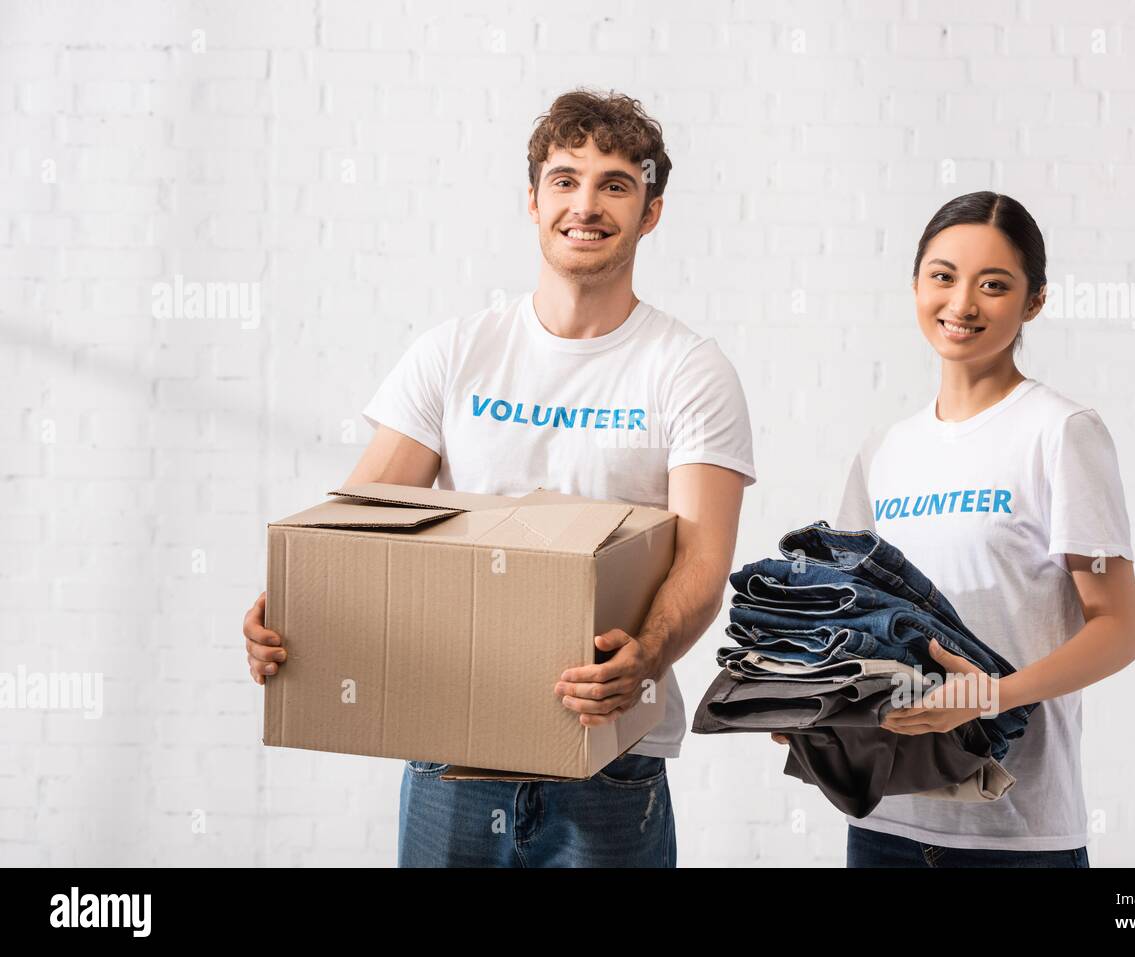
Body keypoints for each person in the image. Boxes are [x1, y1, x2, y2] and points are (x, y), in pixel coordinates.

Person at [243, 89, 756, 867]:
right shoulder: (453, 354)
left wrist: (645, 654)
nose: (586, 204)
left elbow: (702, 564)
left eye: (615, 184)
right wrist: (295, 609)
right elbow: (355, 528)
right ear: (533, 199)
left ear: (650, 212)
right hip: (450, 755)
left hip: (611, 760)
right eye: (565, 179)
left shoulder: (688, 371)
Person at [774, 191, 1135, 868]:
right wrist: (814, 705)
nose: (962, 304)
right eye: (942, 276)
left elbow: (1116, 630)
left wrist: (992, 694)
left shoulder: (1060, 433)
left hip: (1016, 834)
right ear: (916, 285)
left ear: (1034, 301)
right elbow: (857, 620)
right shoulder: (884, 450)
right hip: (885, 822)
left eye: (994, 285)